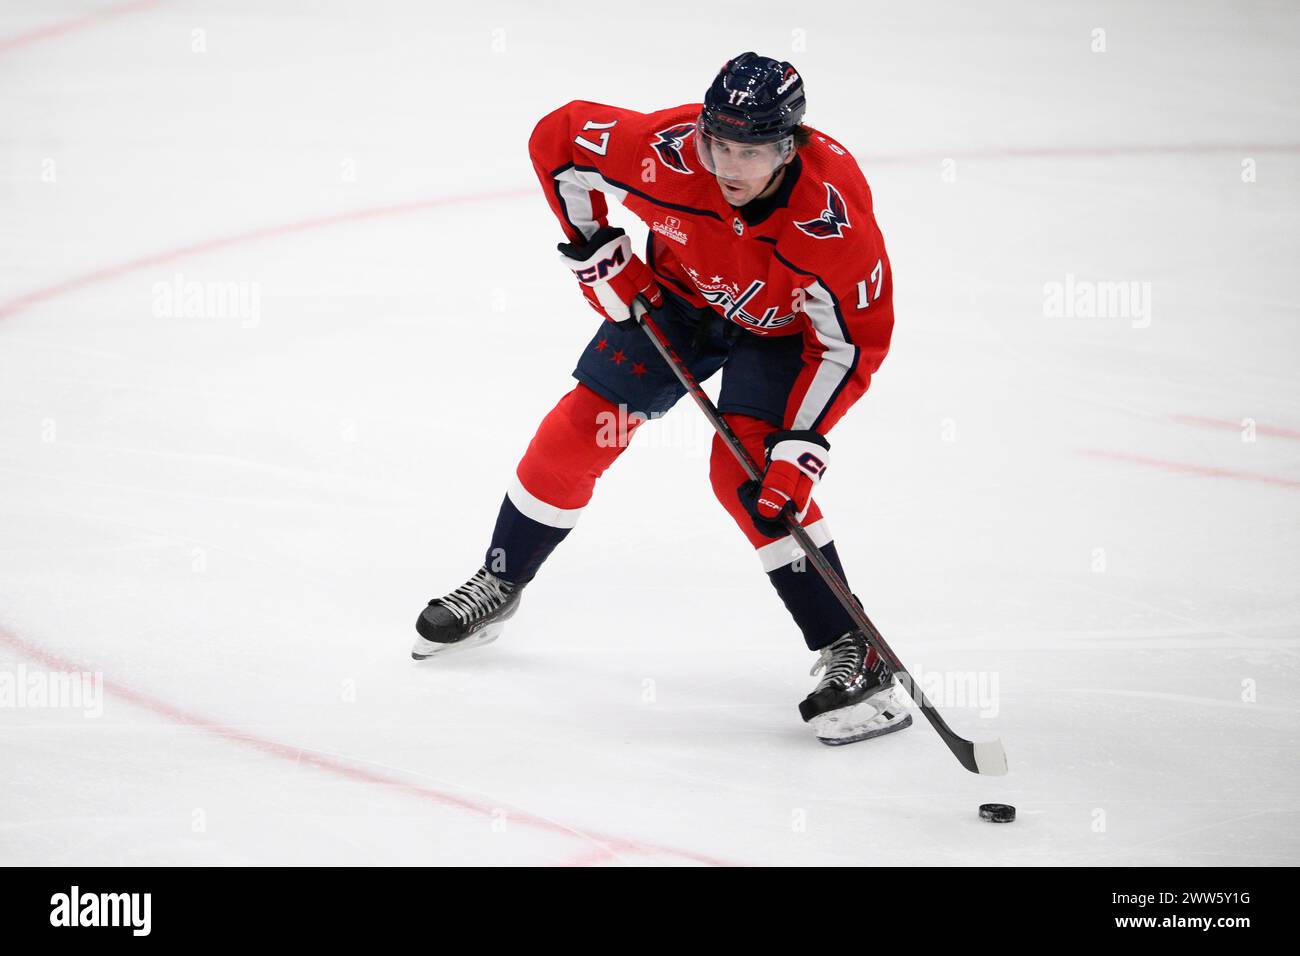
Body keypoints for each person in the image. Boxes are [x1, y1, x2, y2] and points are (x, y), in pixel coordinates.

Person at [413, 52, 909, 745]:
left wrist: (800, 443)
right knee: (580, 430)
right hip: (675, 298)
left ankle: (853, 646)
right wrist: (596, 249)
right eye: (719, 145)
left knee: (748, 477)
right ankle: (499, 581)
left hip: (784, 335)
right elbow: (561, 137)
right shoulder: (662, 153)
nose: (730, 167)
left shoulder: (833, 223)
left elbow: (850, 346)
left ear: (789, 147)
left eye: (752, 152)